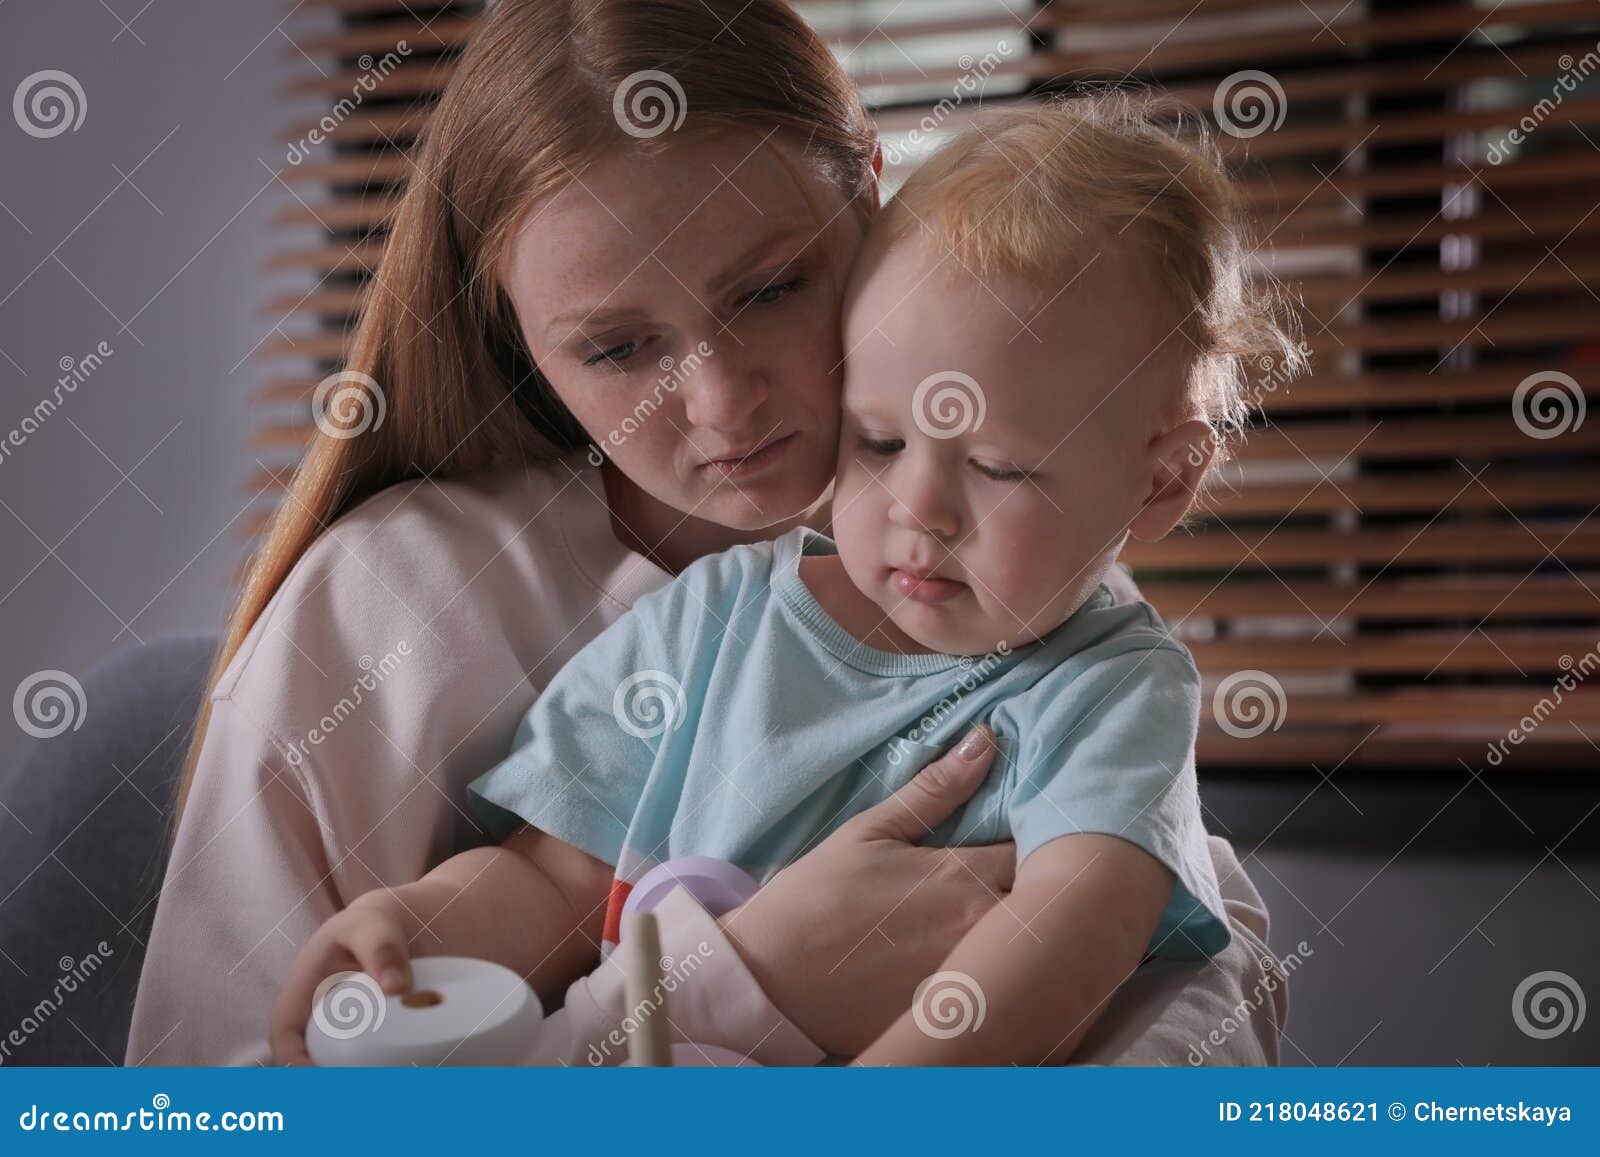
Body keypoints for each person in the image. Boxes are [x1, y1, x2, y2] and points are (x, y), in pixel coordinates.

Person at [127, 0, 1286, 1068]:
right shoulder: (417, 605)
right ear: (517, 336)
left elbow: (1157, 964)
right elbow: (537, 888)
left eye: (771, 287)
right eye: (619, 348)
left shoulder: (1000, 577)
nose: (726, 404)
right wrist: (718, 985)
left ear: (870, 202)